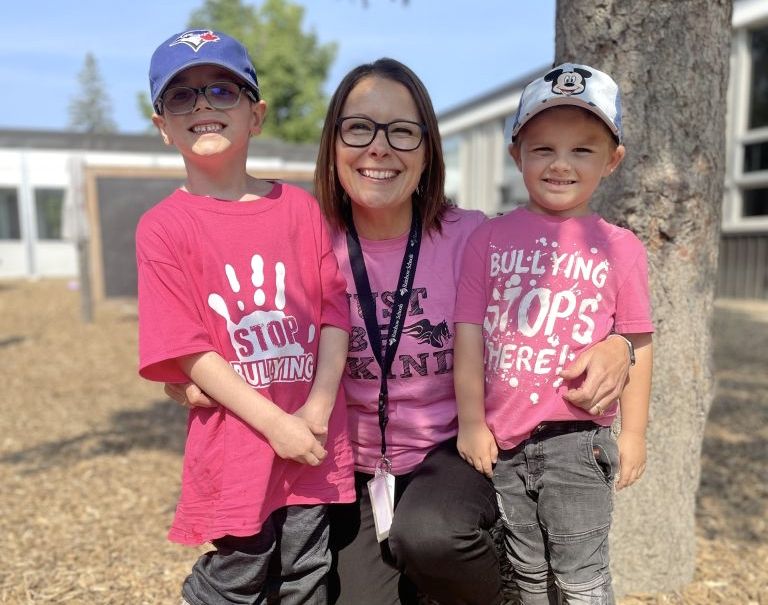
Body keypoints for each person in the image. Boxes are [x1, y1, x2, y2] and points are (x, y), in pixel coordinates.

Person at [168, 58, 636, 605]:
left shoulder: (474, 236)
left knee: (432, 536)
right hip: (351, 468)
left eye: (402, 132)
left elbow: (572, 296)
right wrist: (187, 377)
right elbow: (229, 318)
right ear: (333, 144)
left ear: (428, 149)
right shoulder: (302, 238)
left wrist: (619, 344)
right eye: (358, 128)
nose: (379, 148)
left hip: (456, 455)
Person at [136, 29, 355, 605]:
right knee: (241, 571)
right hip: (237, 444)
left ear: (255, 115)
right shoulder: (163, 228)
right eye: (181, 96)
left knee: (307, 569)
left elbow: (335, 314)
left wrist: (317, 408)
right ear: (162, 126)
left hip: (313, 433)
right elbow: (187, 348)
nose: (202, 105)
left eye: (221, 90)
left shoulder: (300, 209)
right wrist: (276, 424)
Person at [454, 63, 654, 604]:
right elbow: (468, 335)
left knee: (580, 573)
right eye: (542, 149)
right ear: (516, 155)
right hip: (505, 443)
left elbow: (637, 341)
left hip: (578, 442)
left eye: (582, 150)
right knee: (526, 572)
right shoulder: (487, 239)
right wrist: (472, 421)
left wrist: (634, 434)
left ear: (612, 161)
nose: (560, 163)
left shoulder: (621, 247)